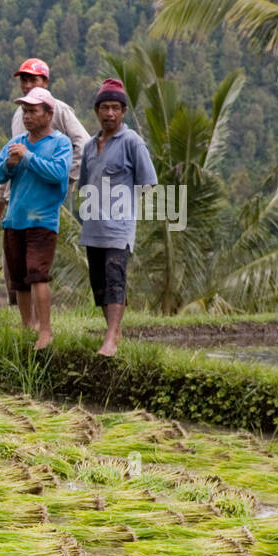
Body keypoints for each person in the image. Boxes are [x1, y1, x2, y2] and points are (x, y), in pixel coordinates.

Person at [0, 58, 89, 322]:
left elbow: (84, 144)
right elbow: (9, 157)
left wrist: (67, 179)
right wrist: (0, 196)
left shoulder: (60, 111)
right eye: (24, 80)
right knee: (17, 270)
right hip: (17, 202)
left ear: (45, 82)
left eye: (34, 79)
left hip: (44, 202)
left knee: (38, 267)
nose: (28, 85)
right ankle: (26, 325)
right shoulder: (19, 116)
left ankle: (43, 328)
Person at [76, 78, 157, 357]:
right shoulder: (89, 146)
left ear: (122, 112)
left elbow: (148, 182)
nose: (109, 113)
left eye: (115, 108)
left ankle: (111, 338)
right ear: (97, 111)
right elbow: (85, 185)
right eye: (104, 108)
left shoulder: (132, 141)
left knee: (115, 278)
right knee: (98, 283)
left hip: (118, 229)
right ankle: (113, 330)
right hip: (93, 228)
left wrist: (125, 207)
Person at [0, 87, 73, 351]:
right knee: (19, 279)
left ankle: (45, 331)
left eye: (33, 111)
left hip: (42, 220)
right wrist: (10, 164)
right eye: (24, 111)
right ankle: (28, 327)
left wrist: (27, 158)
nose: (27, 116)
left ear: (49, 114)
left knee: (38, 275)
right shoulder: (16, 144)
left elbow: (57, 173)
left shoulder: (60, 143)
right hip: (15, 220)